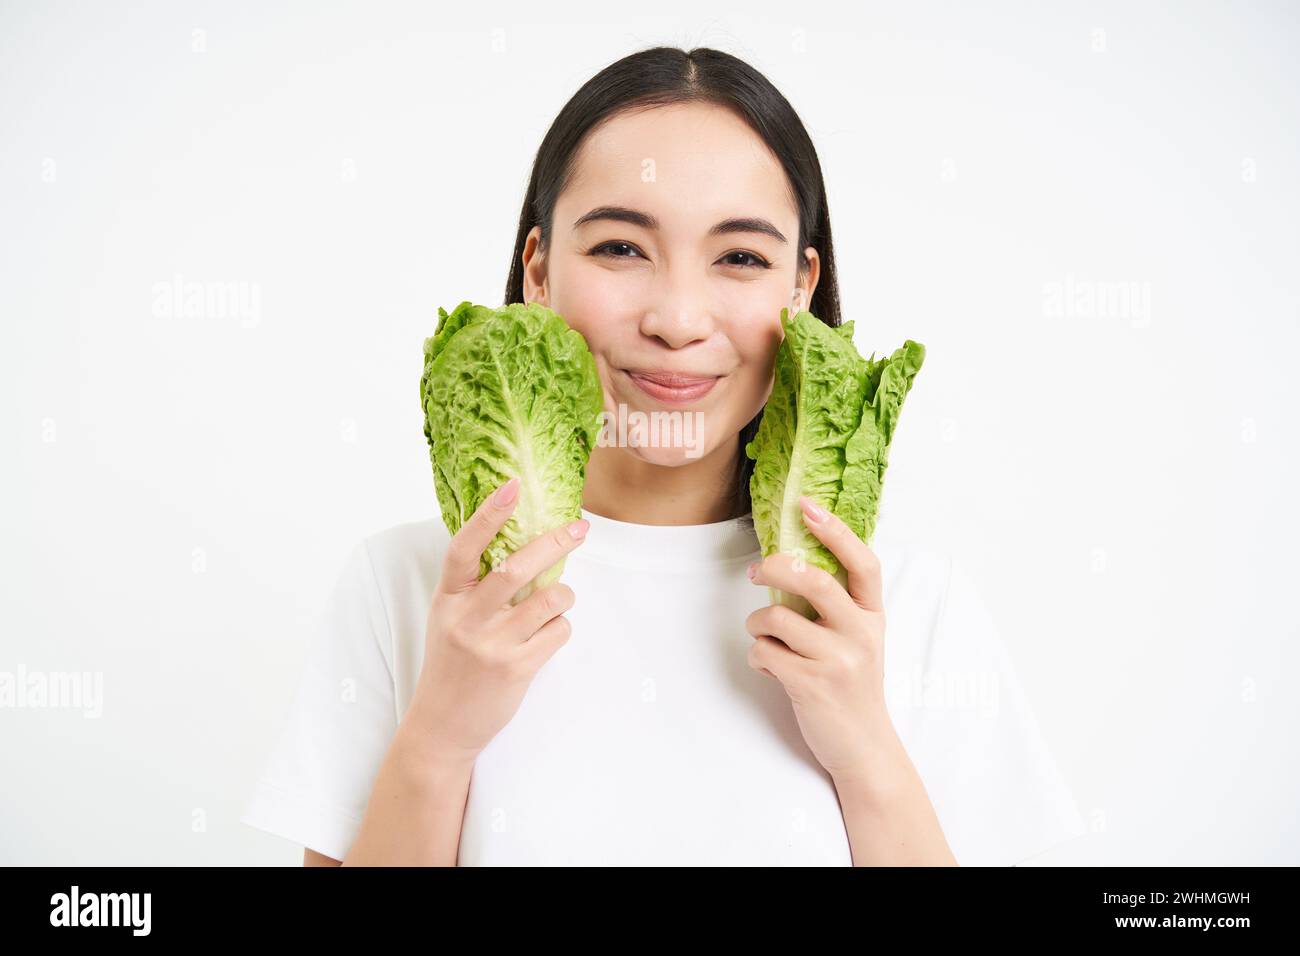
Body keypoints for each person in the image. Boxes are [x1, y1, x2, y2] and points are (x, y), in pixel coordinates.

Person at [240, 46, 1086, 866]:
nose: (678, 319)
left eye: (741, 258)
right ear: (538, 270)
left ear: (800, 287)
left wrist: (866, 754)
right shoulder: (410, 588)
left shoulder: (908, 612)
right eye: (620, 248)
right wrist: (438, 743)